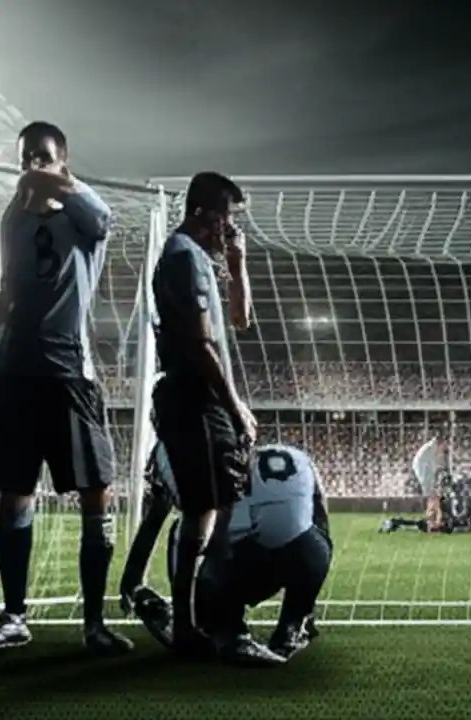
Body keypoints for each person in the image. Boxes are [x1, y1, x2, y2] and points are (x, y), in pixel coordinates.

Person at [0, 122, 132, 653]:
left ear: (63, 160)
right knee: (14, 494)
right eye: (26, 157)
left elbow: (99, 214)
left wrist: (56, 182)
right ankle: (14, 615)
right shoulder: (11, 219)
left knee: (97, 494)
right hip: (14, 374)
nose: (32, 165)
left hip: (71, 374)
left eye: (42, 157)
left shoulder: (84, 210)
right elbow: (8, 295)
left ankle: (93, 624)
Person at [150, 171, 266, 661]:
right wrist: (235, 405)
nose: (230, 230)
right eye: (227, 220)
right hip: (194, 397)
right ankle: (197, 619)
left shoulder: (199, 258)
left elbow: (240, 322)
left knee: (214, 506)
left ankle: (197, 616)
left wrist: (238, 265)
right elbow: (201, 344)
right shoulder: (182, 257)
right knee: (208, 508)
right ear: (204, 214)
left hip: (201, 398)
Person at [120, 442, 331, 664]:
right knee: (316, 541)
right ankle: (294, 624)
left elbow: (157, 518)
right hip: (302, 554)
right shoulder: (290, 455)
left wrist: (132, 578)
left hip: (234, 560)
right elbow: (321, 513)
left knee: (185, 531)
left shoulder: (170, 453)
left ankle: (225, 631)